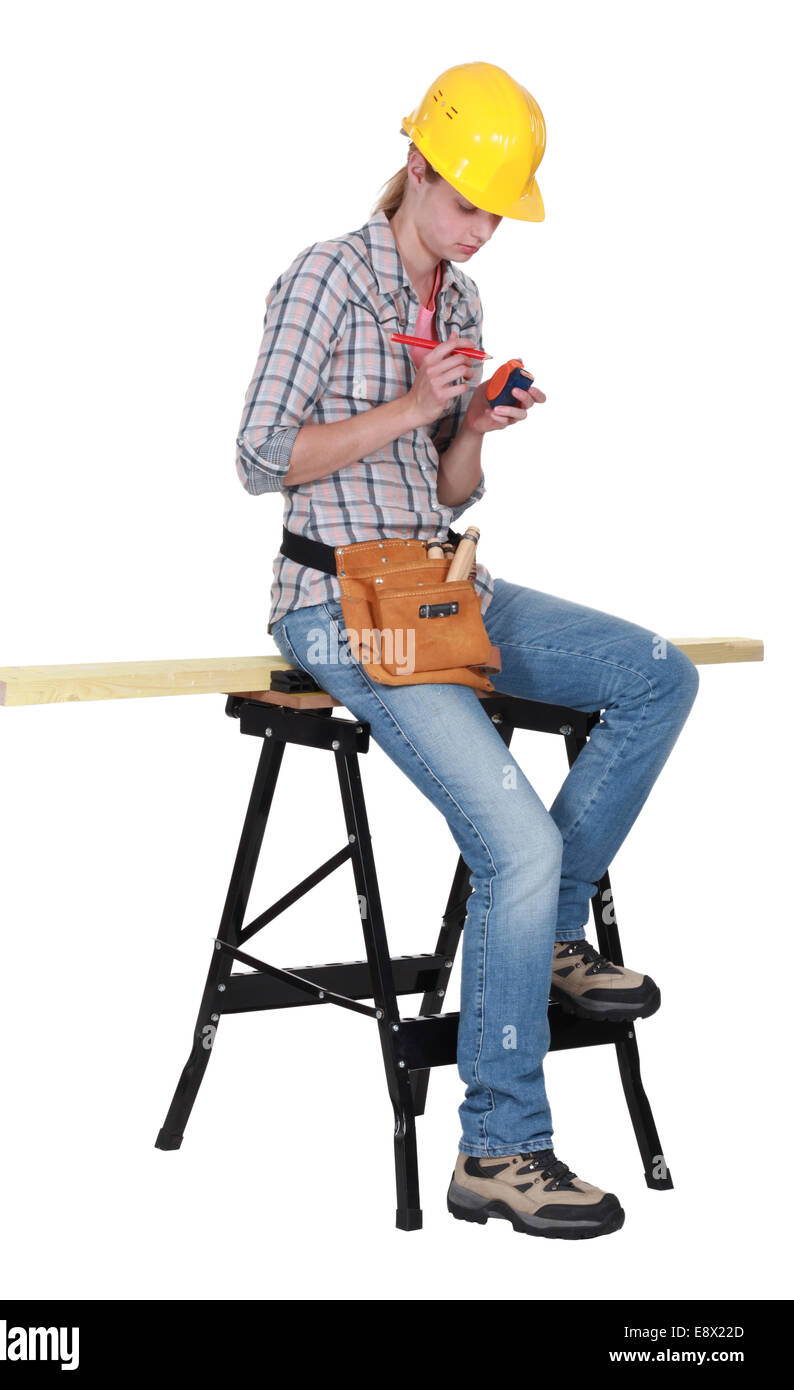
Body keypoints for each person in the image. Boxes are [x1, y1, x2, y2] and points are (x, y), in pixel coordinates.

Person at [235, 61, 699, 1240]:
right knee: (515, 836)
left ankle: (539, 940)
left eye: (499, 213)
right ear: (420, 167)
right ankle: (499, 1147)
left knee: (655, 673)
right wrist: (406, 405)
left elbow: (445, 489)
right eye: (470, 203)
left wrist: (471, 427)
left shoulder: (461, 308)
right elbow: (255, 455)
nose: (483, 230)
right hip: (336, 596)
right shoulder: (325, 277)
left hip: (436, 583)